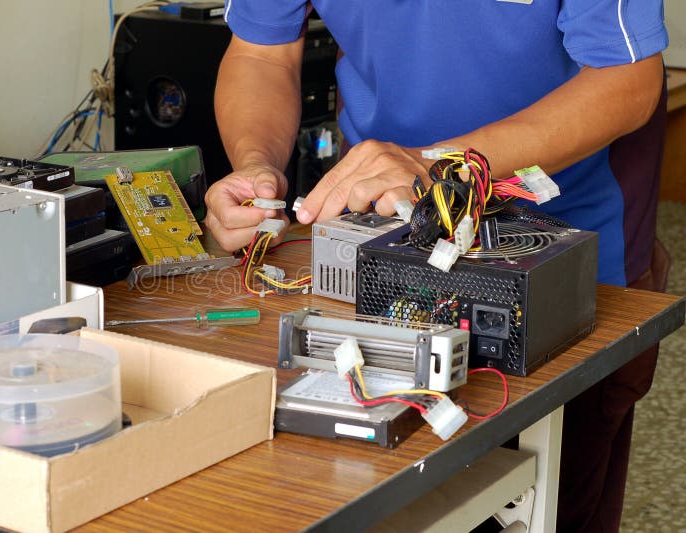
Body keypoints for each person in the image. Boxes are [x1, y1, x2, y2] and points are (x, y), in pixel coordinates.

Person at [205, 2, 670, 531]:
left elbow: (627, 77)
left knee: (554, 491)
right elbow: (263, 54)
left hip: (567, 245)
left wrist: (440, 165)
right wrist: (255, 163)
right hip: (386, 236)